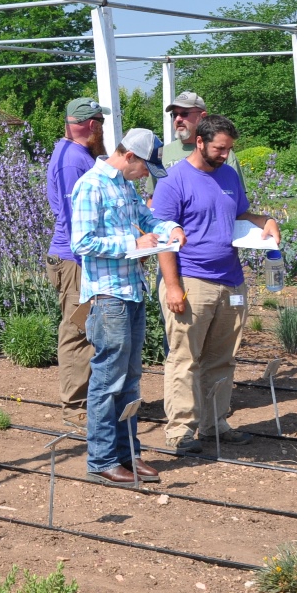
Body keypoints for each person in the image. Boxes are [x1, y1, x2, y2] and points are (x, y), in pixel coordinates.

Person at [152, 113, 281, 453]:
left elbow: (239, 214)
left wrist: (265, 220)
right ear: (200, 142)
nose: (225, 155)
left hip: (231, 281)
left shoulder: (228, 176)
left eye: (229, 149)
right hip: (191, 280)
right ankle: (180, 431)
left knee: (222, 358)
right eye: (220, 149)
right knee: (185, 358)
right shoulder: (173, 180)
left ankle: (214, 424)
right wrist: (173, 286)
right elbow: (163, 236)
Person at [70, 127, 184, 486]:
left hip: (131, 293)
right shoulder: (91, 185)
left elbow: (147, 220)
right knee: (108, 379)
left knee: (131, 380)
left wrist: (170, 228)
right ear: (130, 156)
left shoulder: (124, 184)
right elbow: (82, 242)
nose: (146, 174)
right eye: (145, 167)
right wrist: (131, 243)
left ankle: (128, 453)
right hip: (109, 296)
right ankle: (102, 459)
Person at [45, 98, 107, 419]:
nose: (103, 129)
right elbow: (73, 219)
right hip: (75, 259)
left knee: (88, 330)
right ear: (92, 125)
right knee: (77, 331)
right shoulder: (72, 161)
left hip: (76, 257)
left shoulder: (77, 154)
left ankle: (90, 403)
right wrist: (89, 262)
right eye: (101, 123)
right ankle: (75, 409)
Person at [161, 92, 207, 170]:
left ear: (202, 117)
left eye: (184, 114)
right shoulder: (162, 154)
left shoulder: (220, 151)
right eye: (174, 114)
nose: (178, 119)